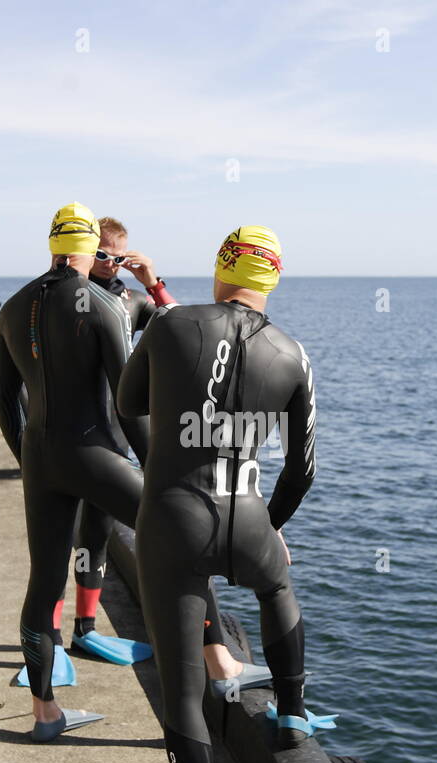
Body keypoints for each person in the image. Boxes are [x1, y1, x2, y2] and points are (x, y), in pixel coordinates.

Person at [116, 226, 321, 763]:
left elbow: (129, 404)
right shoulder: (292, 353)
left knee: (181, 688)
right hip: (250, 513)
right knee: (277, 585)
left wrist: (171, 465)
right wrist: (273, 527)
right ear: (273, 280)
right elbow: (303, 468)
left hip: (175, 517)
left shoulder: (172, 327)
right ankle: (291, 715)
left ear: (219, 270)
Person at [0, 202, 229, 740]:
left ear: (53, 242)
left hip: (40, 459)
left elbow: (6, 403)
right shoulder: (99, 304)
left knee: (42, 583)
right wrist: (161, 472)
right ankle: (220, 662)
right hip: (95, 453)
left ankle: (45, 713)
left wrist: (28, 461)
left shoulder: (11, 307)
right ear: (87, 245)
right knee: (179, 534)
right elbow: (129, 402)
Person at [73, 218, 254, 677]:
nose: (111, 266)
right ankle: (216, 656)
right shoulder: (71, 301)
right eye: (103, 256)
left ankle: (85, 628)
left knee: (96, 526)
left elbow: (189, 327)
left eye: (120, 258)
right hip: (89, 438)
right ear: (85, 251)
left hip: (112, 436)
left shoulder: (128, 302)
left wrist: (152, 283)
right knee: (155, 535)